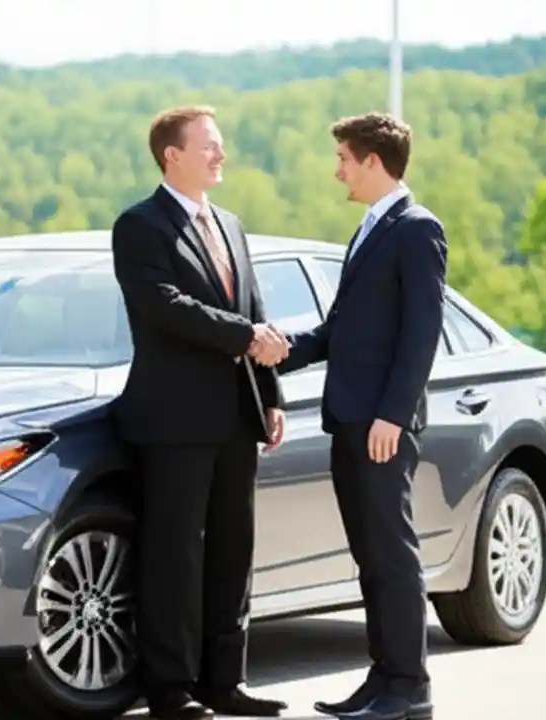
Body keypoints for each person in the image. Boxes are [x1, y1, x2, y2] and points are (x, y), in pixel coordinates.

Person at [110, 105, 290, 720]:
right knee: (175, 557)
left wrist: (270, 397)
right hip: (173, 423)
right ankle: (171, 690)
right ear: (172, 156)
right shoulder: (139, 226)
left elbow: (255, 309)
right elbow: (165, 305)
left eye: (221, 145)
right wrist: (245, 336)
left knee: (232, 553)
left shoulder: (232, 225)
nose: (221, 155)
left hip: (236, 419)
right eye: (209, 145)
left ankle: (225, 683)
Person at [277, 112, 446, 720]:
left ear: (374, 161)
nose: (338, 170)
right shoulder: (372, 228)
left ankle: (410, 687)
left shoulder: (417, 228)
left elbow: (422, 334)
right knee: (370, 557)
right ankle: (383, 679)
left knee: (393, 556)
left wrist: (392, 417)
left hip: (381, 427)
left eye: (344, 159)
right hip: (349, 420)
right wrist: (280, 351)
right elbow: (343, 331)